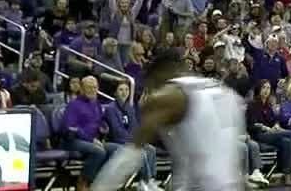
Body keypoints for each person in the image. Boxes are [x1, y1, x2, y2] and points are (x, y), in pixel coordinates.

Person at [88, 48, 244, 191]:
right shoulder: (225, 92)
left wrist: (99, 188)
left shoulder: (169, 97)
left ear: (158, 76)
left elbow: (132, 152)